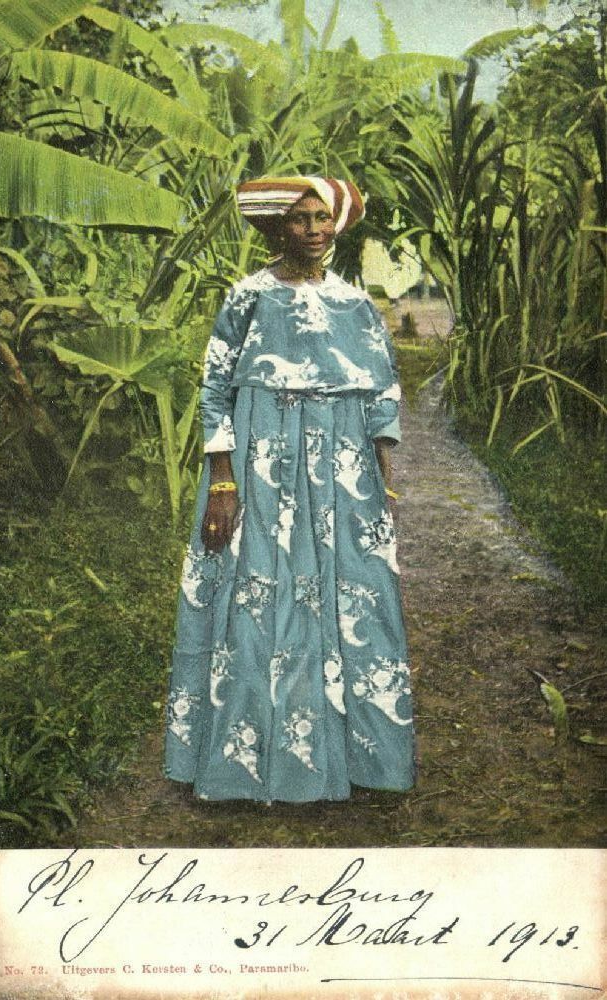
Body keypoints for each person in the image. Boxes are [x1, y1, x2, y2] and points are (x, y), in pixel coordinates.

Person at [164, 175, 415, 802]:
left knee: (350, 591)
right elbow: (215, 389)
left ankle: (351, 760)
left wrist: (382, 486)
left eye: (322, 218)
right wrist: (223, 482)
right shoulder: (248, 296)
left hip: (341, 465)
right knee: (255, 593)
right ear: (279, 227)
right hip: (261, 459)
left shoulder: (355, 304)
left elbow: (381, 395)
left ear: (336, 225)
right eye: (300, 218)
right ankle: (245, 763)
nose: (313, 230)